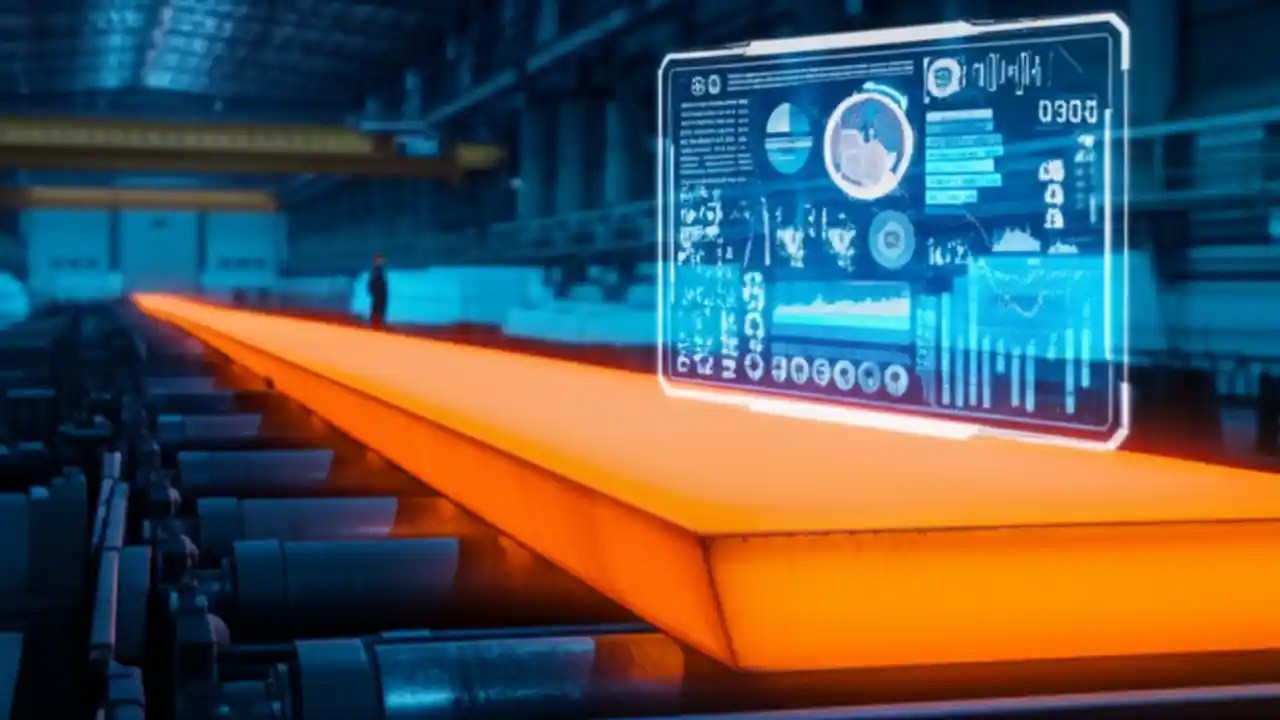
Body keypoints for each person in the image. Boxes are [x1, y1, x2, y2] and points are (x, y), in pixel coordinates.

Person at [368, 254, 388, 329]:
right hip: (378, 292)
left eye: (382, 260)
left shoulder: (381, 270)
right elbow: (371, 282)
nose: (381, 261)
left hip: (381, 292)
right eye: (379, 260)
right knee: (377, 308)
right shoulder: (376, 270)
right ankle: (376, 322)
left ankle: (378, 321)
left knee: (380, 307)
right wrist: (372, 291)